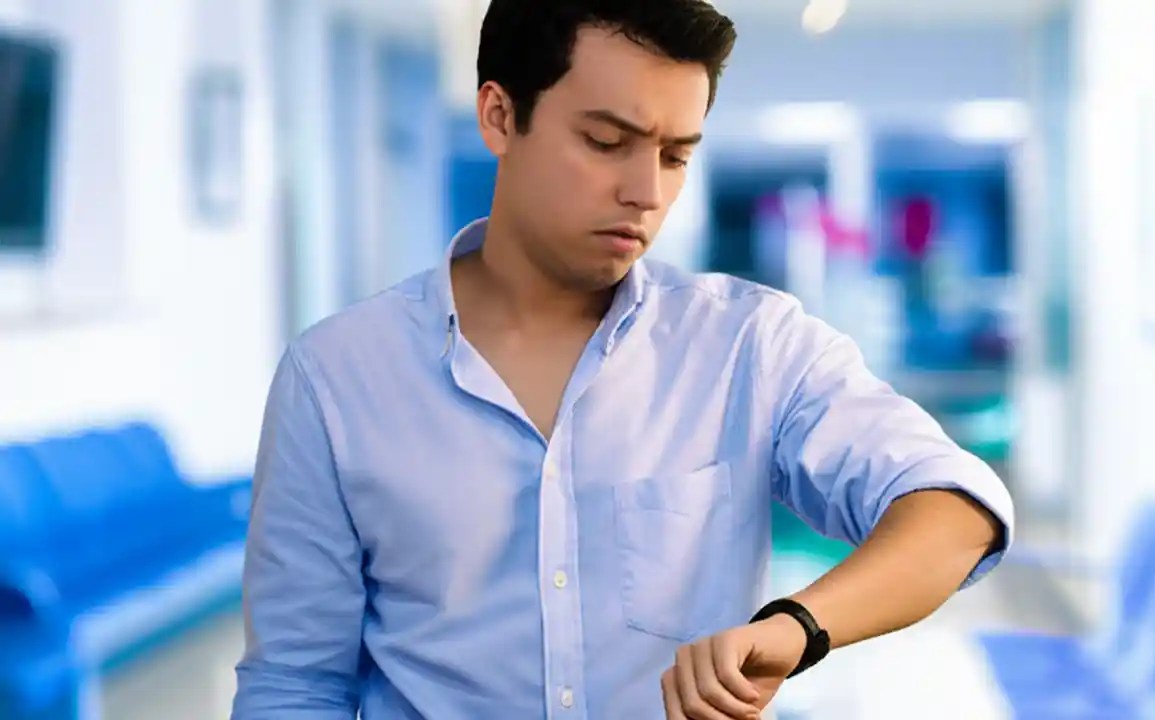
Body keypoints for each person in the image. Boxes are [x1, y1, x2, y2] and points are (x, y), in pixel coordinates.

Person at [231, 1, 1014, 718]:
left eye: (676, 155)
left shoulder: (751, 346)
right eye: (606, 142)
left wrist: (799, 626)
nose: (645, 191)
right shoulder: (335, 377)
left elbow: (956, 512)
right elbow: (296, 683)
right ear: (500, 116)